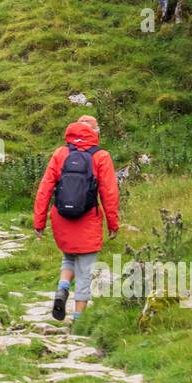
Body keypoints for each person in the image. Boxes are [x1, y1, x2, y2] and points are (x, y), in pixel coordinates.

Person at [33, 114, 120, 323]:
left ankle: (62, 288)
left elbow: (45, 188)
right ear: (93, 131)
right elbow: (109, 193)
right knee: (86, 269)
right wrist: (113, 223)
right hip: (88, 217)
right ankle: (79, 319)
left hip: (61, 217)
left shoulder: (60, 153)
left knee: (69, 257)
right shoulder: (101, 156)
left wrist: (39, 222)